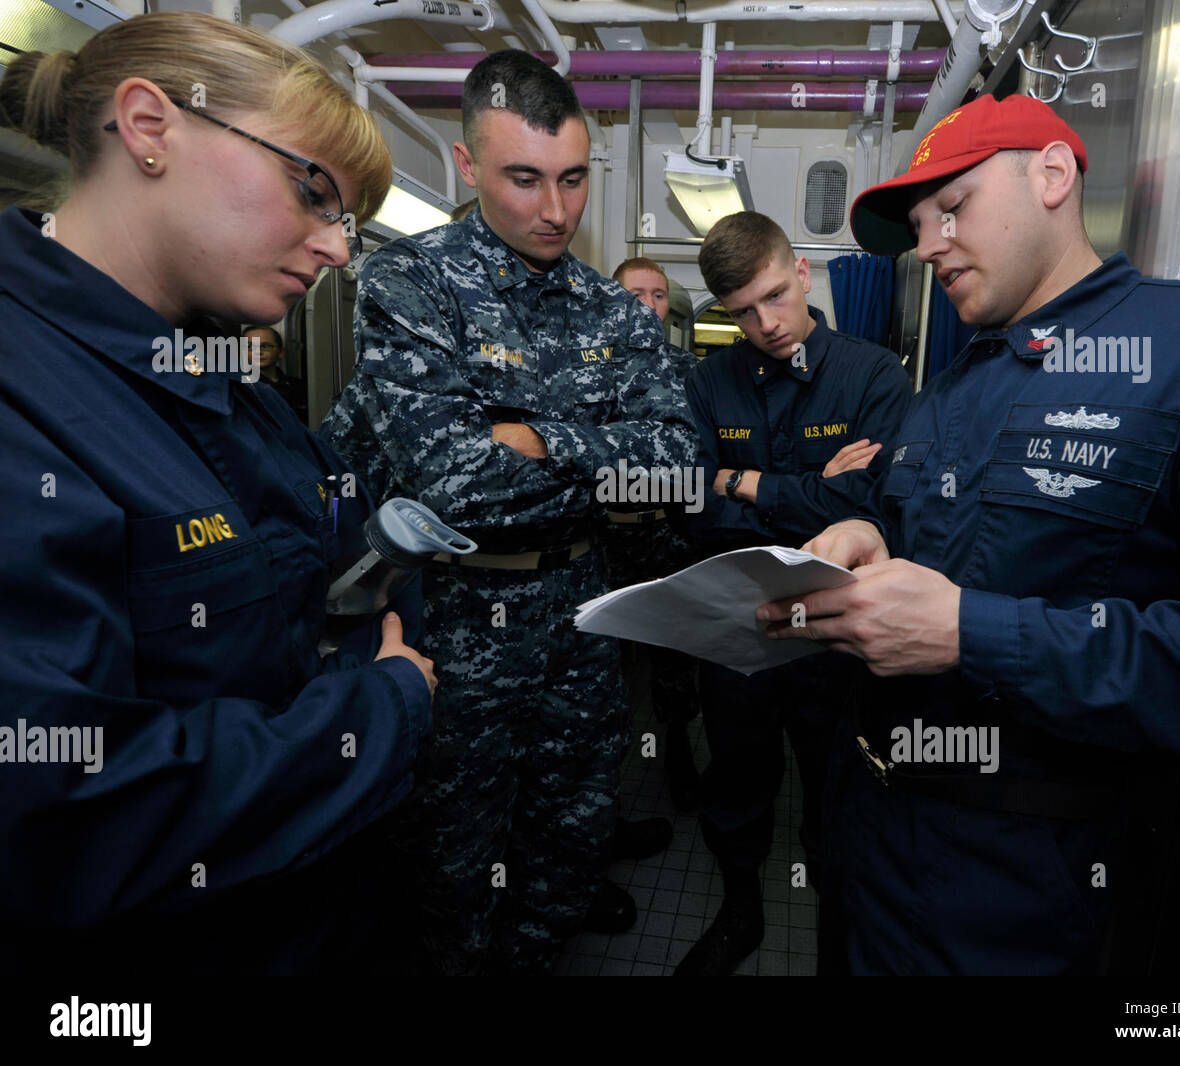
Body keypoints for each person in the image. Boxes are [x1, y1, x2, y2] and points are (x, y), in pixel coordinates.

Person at [762, 92, 1180, 974]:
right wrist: (868, 530)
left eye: (952, 207)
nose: (929, 244)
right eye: (919, 226)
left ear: (1052, 175)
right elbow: (927, 536)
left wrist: (973, 634)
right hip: (869, 839)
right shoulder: (949, 386)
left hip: (1033, 889)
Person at [0, 11, 438, 976]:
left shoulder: (225, 382)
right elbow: (61, 814)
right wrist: (382, 710)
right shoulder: (25, 399)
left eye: (348, 220)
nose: (339, 251)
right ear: (150, 128)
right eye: (312, 192)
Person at [320, 49, 697, 975]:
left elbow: (679, 472)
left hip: (582, 622)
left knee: (567, 844)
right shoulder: (412, 285)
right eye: (525, 178)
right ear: (467, 164)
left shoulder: (614, 311)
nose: (556, 209)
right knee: (448, 861)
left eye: (572, 178)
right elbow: (452, 484)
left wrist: (530, 438)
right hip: (457, 624)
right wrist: (601, 455)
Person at [678, 211, 910, 976]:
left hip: (835, 632)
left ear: (803, 271)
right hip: (736, 623)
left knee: (835, 786)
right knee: (736, 778)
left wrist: (743, 482)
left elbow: (875, 505)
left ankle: (836, 934)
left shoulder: (873, 375)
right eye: (743, 311)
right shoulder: (707, 383)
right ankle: (740, 912)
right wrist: (814, 493)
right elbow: (691, 505)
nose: (767, 324)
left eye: (776, 295)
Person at [607, 255, 704, 812]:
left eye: (659, 295)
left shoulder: (692, 373)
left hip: (669, 531)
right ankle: (606, 768)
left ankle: (677, 744)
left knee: (675, 645)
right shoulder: (586, 369)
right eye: (635, 295)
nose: (648, 305)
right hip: (603, 538)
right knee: (601, 654)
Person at [243, 324, 308, 423]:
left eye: (265, 346)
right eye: (250, 346)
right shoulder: (240, 386)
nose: (258, 352)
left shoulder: (298, 386)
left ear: (281, 352)